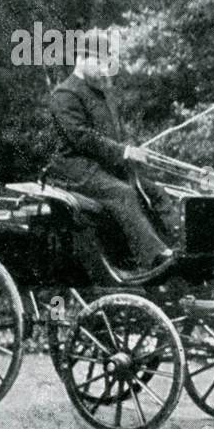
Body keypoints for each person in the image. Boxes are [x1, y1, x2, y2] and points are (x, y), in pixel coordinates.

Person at [46, 51, 174, 271]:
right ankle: (155, 258)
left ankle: (177, 247)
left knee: (156, 192)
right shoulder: (65, 94)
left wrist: (130, 150)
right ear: (81, 59)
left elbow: (111, 135)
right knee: (123, 193)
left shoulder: (99, 94)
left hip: (101, 166)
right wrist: (123, 152)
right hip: (74, 168)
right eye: (99, 62)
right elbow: (81, 138)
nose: (104, 69)